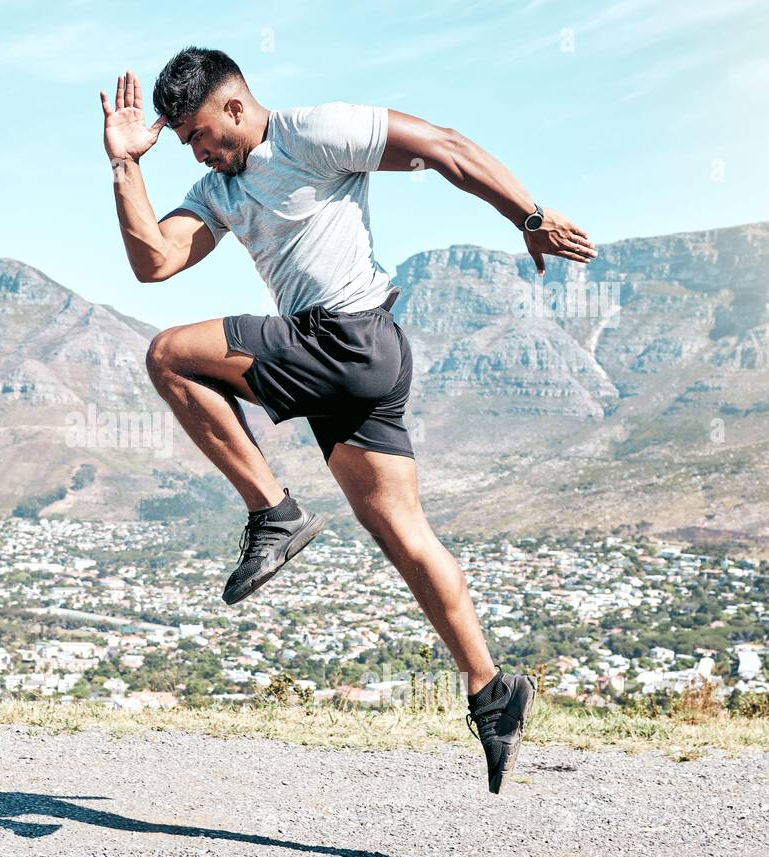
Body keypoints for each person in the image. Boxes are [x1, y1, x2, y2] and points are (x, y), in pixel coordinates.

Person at [100, 47, 594, 794]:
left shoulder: (313, 133)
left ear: (235, 106)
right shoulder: (219, 190)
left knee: (169, 355)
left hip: (346, 336)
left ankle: (274, 513)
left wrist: (526, 215)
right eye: (181, 144)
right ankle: (492, 692)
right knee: (404, 535)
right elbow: (155, 261)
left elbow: (446, 149)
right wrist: (123, 166)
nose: (195, 151)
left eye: (198, 133)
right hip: (355, 368)